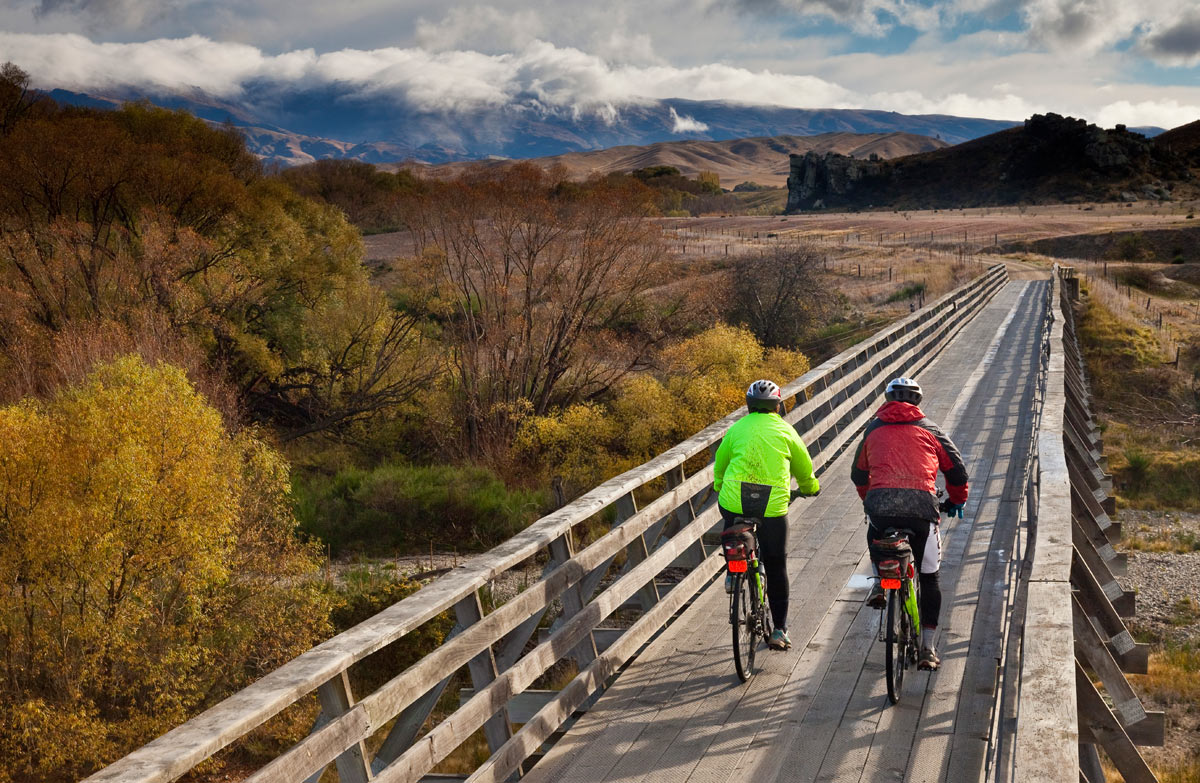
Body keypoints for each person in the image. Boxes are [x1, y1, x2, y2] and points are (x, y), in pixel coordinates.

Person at [850, 376, 968, 671]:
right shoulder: (931, 430)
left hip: (881, 507)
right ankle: (927, 647)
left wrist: (869, 498)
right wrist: (956, 501)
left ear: (888, 400)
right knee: (929, 576)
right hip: (921, 510)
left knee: (875, 530)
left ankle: (880, 580)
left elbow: (858, 475)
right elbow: (957, 473)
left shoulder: (872, 429)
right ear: (918, 402)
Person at [714, 379, 820, 651]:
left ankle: (731, 569)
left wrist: (719, 485)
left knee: (731, 516)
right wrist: (810, 488)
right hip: (771, 507)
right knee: (775, 565)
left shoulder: (736, 429)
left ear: (749, 405)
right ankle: (779, 630)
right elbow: (804, 467)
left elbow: (721, 463)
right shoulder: (786, 430)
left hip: (734, 500)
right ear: (777, 406)